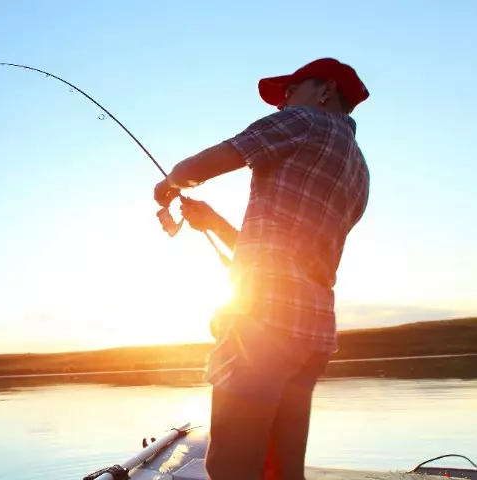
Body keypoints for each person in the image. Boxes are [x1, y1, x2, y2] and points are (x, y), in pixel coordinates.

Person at [153, 57, 371, 479]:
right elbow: (284, 253)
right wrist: (213, 222)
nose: (282, 104)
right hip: (311, 331)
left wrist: (169, 186)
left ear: (324, 90)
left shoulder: (303, 121)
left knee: (230, 466)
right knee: (282, 469)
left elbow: (191, 171)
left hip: (263, 325)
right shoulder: (359, 169)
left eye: (289, 92)